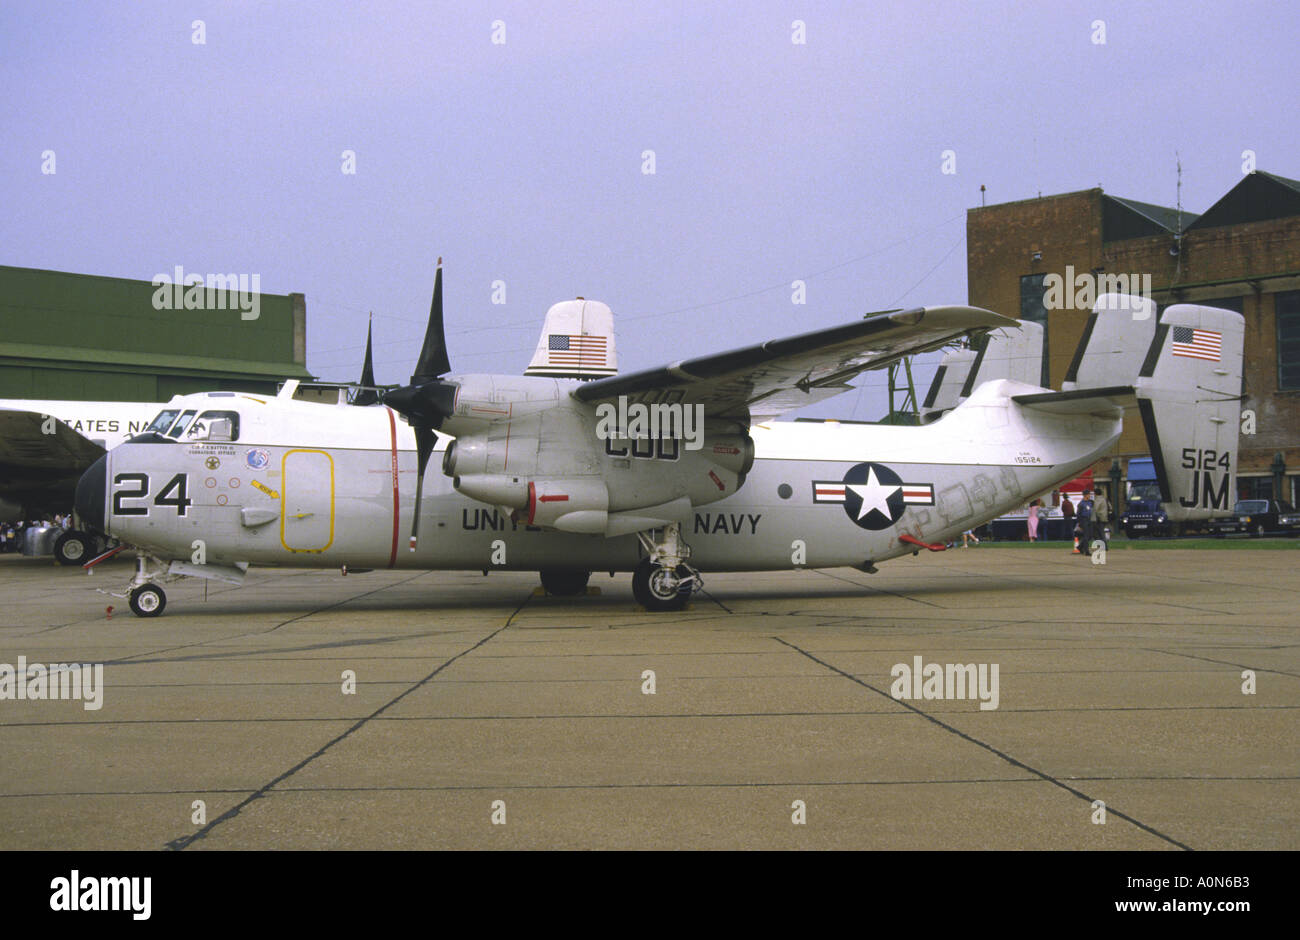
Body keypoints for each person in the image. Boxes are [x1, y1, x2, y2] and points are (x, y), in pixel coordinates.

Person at [1075, 489, 1094, 554]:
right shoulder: (1081, 504)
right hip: (1084, 519)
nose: (1089, 495)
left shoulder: (1090, 502)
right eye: (1088, 494)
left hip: (1089, 519)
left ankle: (1080, 547)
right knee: (1086, 535)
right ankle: (1086, 551)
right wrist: (1080, 523)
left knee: (1090, 535)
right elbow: (1078, 514)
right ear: (1085, 495)